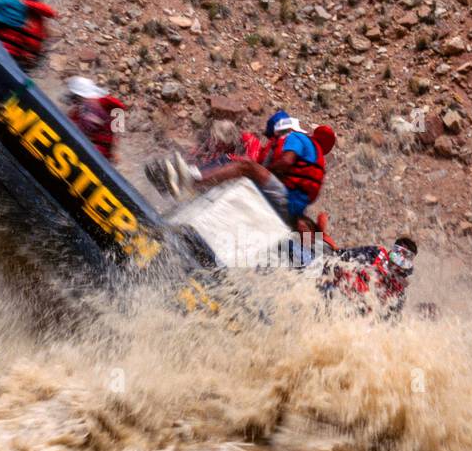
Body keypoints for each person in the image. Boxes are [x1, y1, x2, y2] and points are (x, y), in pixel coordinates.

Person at [145, 111, 334, 229]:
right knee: (240, 168)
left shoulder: (295, 138)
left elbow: (285, 161)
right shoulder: (316, 157)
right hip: (291, 207)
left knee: (243, 166)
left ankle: (190, 180)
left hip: (284, 198)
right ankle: (183, 182)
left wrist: (261, 170)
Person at [326, 236, 418, 318]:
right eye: (398, 252)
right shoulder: (377, 254)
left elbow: (391, 318)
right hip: (340, 292)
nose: (400, 257)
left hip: (361, 313)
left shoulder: (399, 289)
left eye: (405, 256)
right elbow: (345, 255)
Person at [66, 76, 126, 162]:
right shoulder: (76, 112)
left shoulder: (107, 103)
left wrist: (115, 147)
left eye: (76, 96)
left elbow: (119, 111)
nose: (74, 99)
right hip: (90, 147)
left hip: (101, 150)